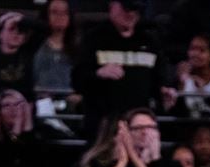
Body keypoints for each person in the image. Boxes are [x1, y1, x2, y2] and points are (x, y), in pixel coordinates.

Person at [72, 0, 175, 132]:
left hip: (138, 126)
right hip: (104, 126)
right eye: (126, 8)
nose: (131, 14)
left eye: (135, 9)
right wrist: (98, 74)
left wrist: (165, 90)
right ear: (112, 5)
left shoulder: (150, 41)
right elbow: (77, 80)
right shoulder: (94, 39)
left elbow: (160, 78)